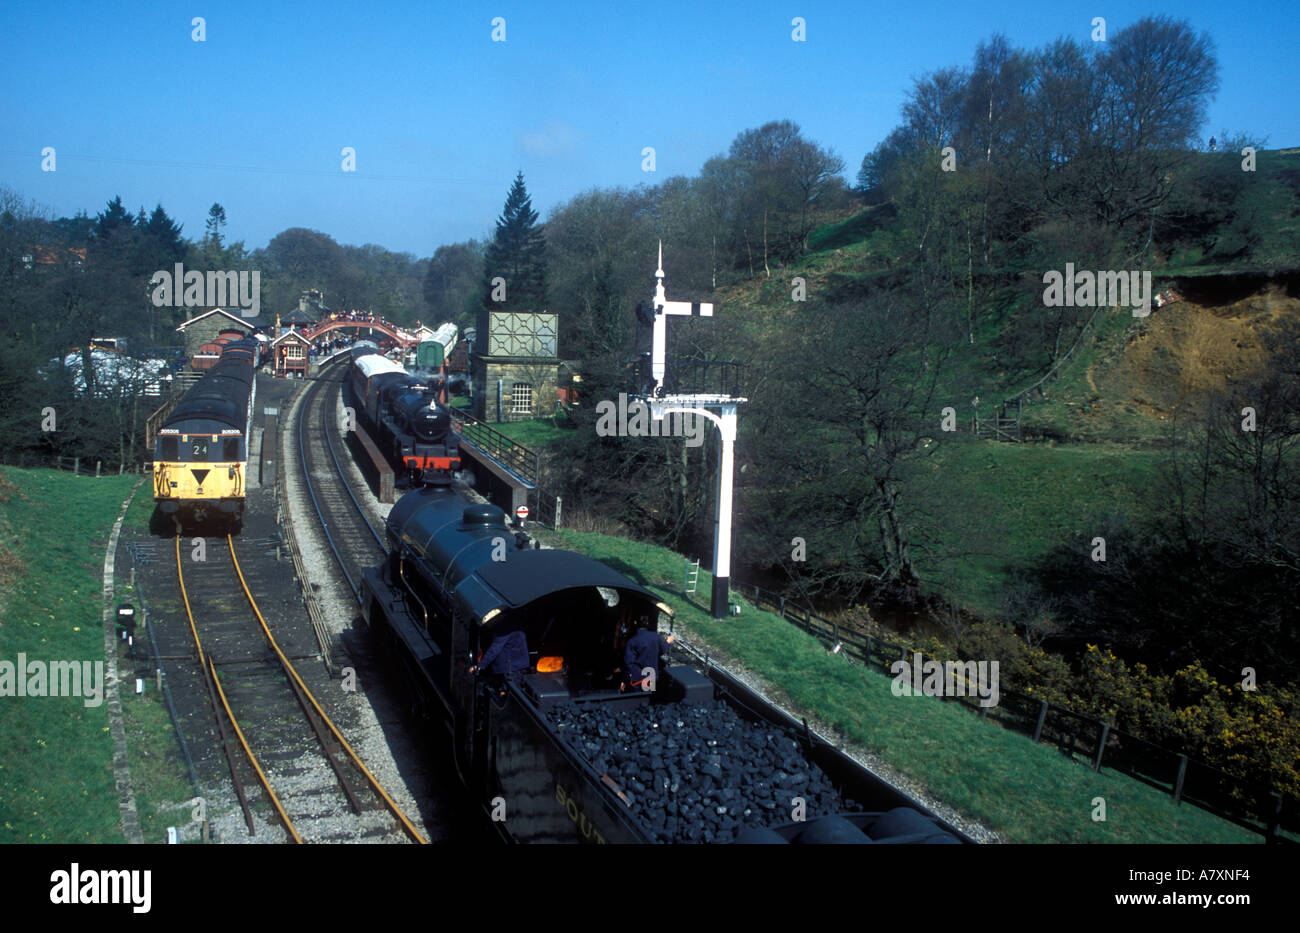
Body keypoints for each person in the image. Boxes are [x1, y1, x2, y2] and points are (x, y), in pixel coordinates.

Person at [622, 621, 674, 691]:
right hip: (652, 675)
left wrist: (624, 680)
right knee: (648, 696)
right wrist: (668, 642)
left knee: (637, 697)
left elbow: (628, 663)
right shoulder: (655, 636)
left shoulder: (632, 641)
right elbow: (663, 650)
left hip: (638, 678)